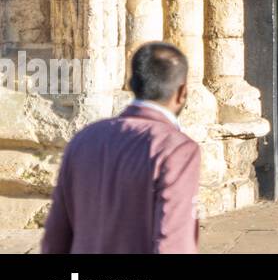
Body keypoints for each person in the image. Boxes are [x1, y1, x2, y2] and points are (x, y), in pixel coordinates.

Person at [42, 42, 201, 254]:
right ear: (182, 92)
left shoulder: (84, 139)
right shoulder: (176, 149)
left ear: (132, 83)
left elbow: (56, 237)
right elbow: (174, 243)